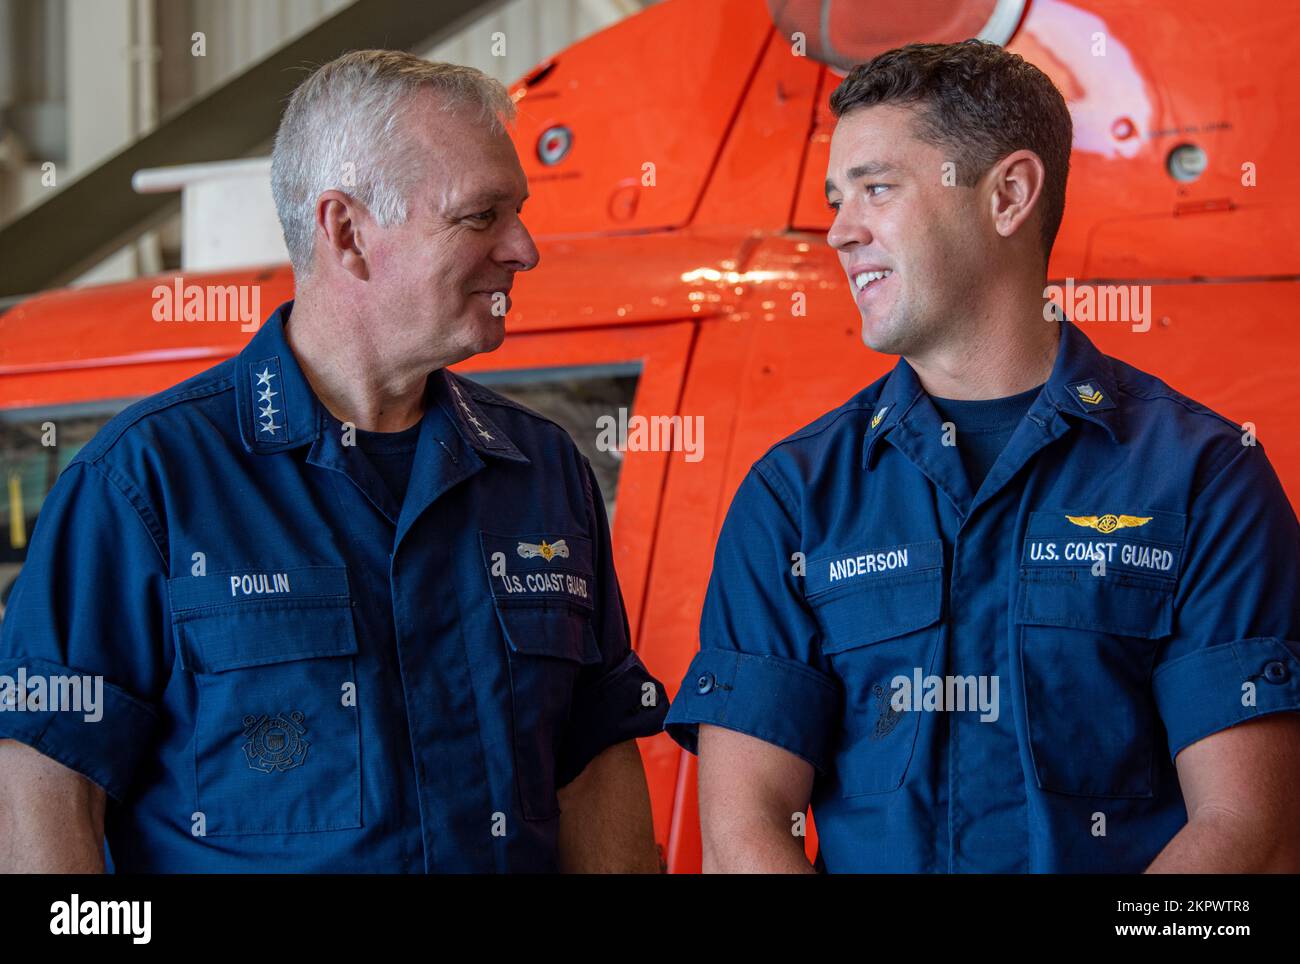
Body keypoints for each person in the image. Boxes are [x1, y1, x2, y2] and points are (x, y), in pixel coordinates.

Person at [0, 50, 667, 873]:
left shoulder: (539, 470)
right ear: (347, 232)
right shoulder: (145, 486)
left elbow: (596, 759)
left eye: (518, 212)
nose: (524, 248)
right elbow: (45, 790)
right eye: (480, 216)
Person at [664, 40, 1300, 872]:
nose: (840, 231)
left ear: (1007, 195)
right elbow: (745, 830)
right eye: (836, 198)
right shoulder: (794, 497)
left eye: (877, 189)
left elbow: (1248, 835)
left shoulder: (1205, 479)